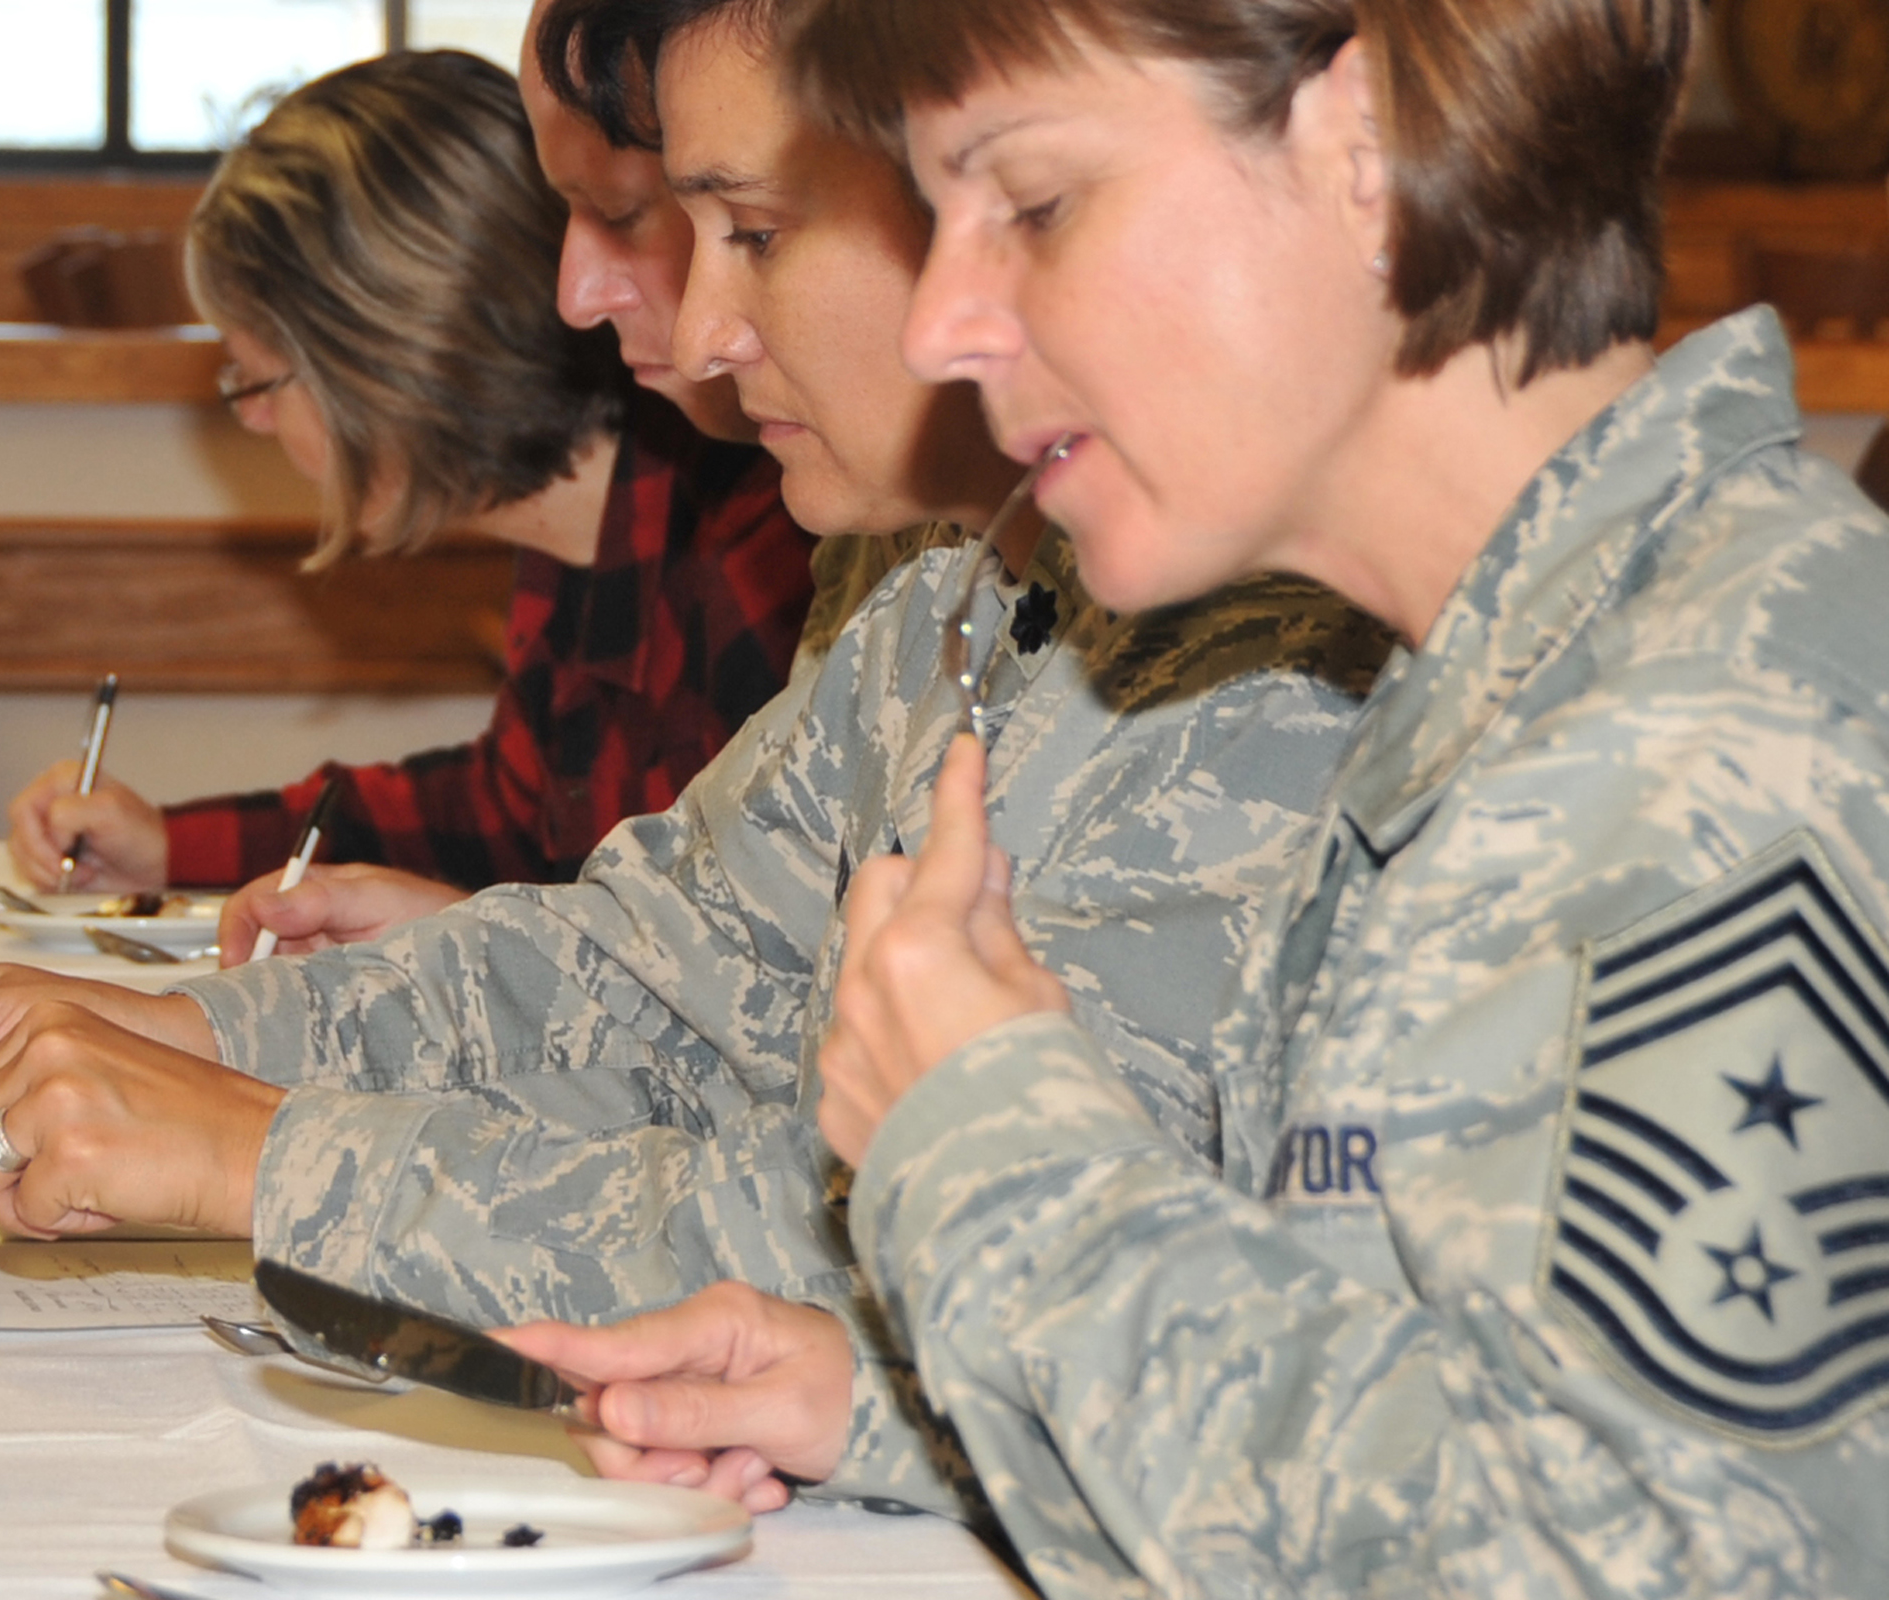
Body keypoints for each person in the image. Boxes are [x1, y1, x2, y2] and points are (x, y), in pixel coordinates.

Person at [0, 0, 1388, 1520]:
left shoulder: (1270, 636)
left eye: (749, 230)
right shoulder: (951, 576)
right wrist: (183, 1036)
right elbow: (661, 970)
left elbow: (903, 1252)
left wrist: (262, 1154)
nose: (691, 327)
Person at [496, 0, 1889, 1590]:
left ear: (1368, 144)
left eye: (1032, 205)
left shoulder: (1723, 750)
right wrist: (900, 1407)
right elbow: (1460, 1432)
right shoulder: (1509, 696)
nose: (947, 322)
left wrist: (996, 1154)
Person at [3, 47, 818, 922]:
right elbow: (506, 813)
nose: (253, 420)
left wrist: (450, 936)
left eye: (259, 380)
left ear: (393, 364)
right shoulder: (586, 533)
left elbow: (733, 970)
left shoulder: (758, 557)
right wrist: (172, 845)